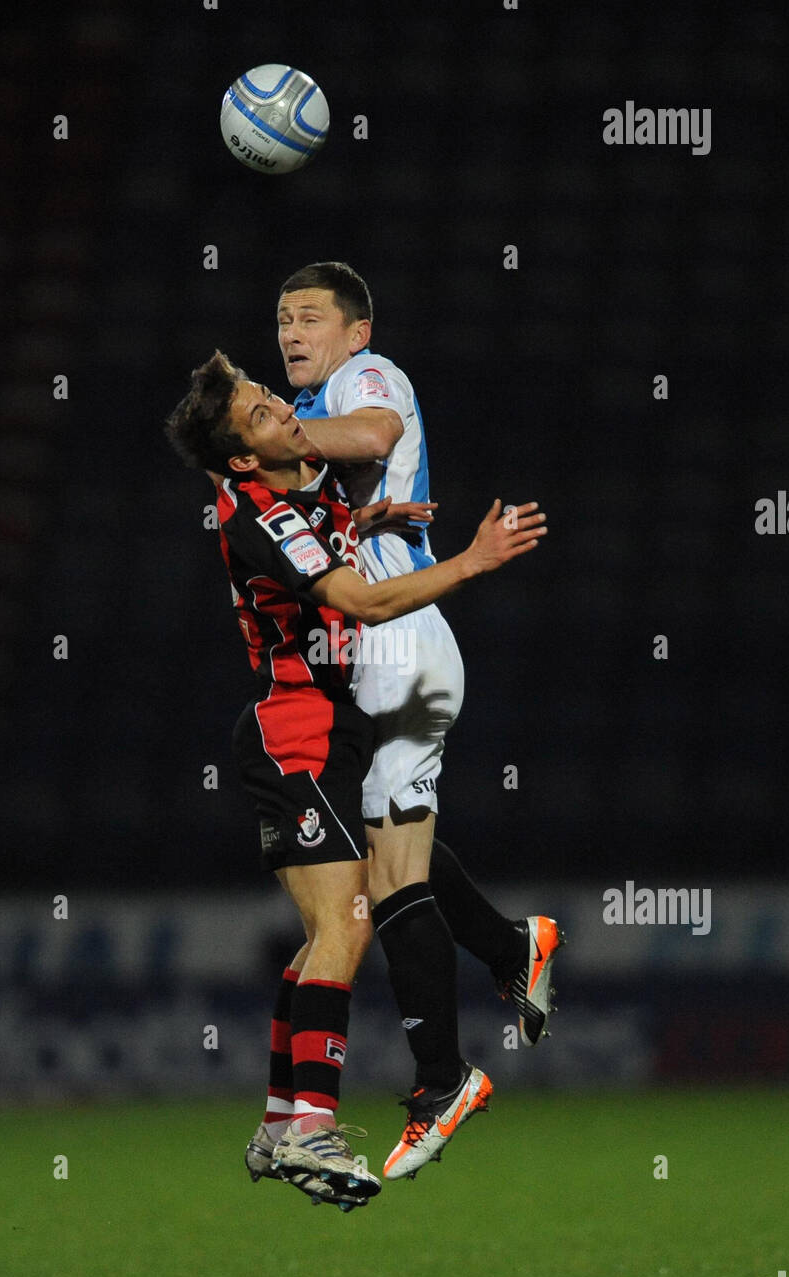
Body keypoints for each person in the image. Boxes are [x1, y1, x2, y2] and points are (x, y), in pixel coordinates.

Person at [164, 348, 547, 1207]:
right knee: (348, 924)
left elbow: (325, 546)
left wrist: (370, 526)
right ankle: (312, 1128)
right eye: (261, 415)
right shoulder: (263, 511)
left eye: (267, 393)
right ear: (239, 458)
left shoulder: (298, 482)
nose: (281, 409)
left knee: (320, 941)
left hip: (321, 733)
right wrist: (474, 562)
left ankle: (277, 1122)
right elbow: (363, 604)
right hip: (294, 736)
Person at [277, 262, 562, 1179]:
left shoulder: (366, 378)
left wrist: (270, 436)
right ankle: (515, 945)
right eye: (281, 318)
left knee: (387, 885)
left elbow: (371, 432)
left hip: (397, 638)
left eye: (310, 317)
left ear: (357, 331)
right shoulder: (322, 410)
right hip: (396, 639)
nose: (291, 332)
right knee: (385, 860)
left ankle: (443, 1082)